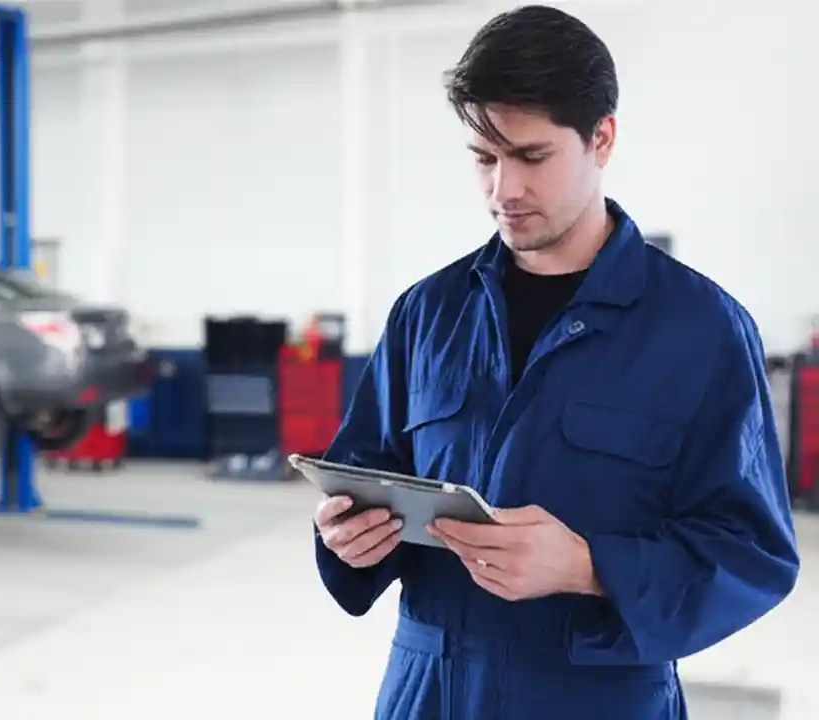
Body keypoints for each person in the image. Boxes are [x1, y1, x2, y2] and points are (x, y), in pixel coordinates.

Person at [312, 5, 800, 719]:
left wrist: (588, 567)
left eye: (531, 157)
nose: (502, 190)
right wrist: (345, 538)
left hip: (597, 695)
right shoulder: (426, 315)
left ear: (602, 138)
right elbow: (363, 478)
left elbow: (752, 553)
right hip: (430, 688)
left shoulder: (701, 330)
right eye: (484, 158)